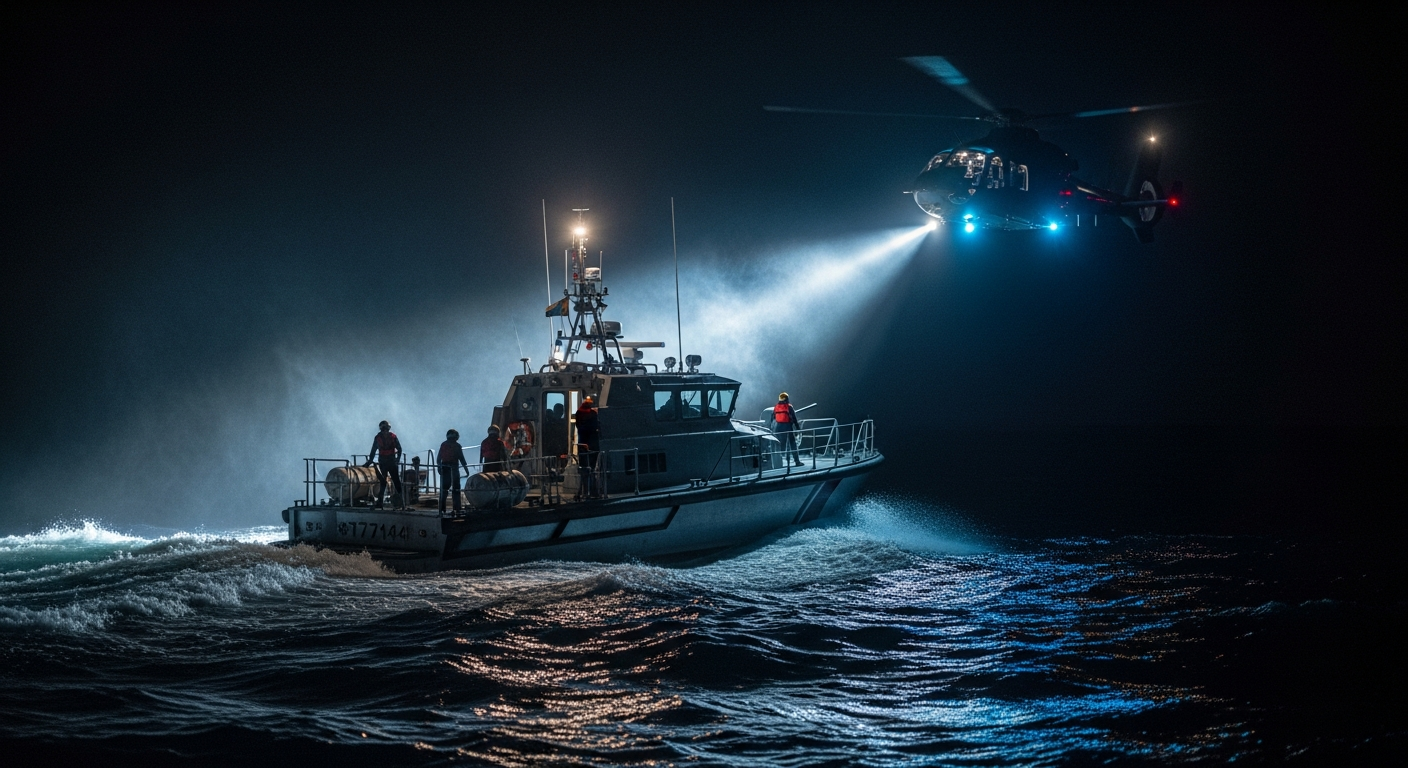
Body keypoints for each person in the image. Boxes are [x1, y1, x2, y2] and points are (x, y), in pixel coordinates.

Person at [364, 420, 403, 508]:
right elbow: (399, 449)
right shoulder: (391, 437)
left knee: (388, 481)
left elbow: (373, 451)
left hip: (387, 462)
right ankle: (399, 501)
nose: (385, 431)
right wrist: (397, 459)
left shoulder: (381, 438)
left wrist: (369, 461)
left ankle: (397, 501)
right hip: (388, 462)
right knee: (391, 481)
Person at [574, 395, 601, 498]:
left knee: (584, 469)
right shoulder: (593, 414)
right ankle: (593, 491)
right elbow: (595, 427)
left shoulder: (578, 413)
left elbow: (579, 426)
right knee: (592, 469)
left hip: (582, 444)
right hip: (592, 445)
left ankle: (585, 491)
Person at [437, 429, 470, 513]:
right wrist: (467, 471)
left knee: (444, 490)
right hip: (454, 468)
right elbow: (462, 459)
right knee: (456, 489)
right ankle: (457, 508)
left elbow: (438, 459)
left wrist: (439, 468)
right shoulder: (457, 446)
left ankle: (442, 509)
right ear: (456, 437)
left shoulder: (443, 445)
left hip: (445, 468)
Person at [771, 392, 803, 467]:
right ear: (786, 399)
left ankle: (777, 463)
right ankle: (797, 461)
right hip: (788, 426)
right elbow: (794, 419)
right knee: (792, 444)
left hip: (778, 427)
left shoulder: (776, 407)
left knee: (778, 444)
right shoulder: (789, 407)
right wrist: (798, 428)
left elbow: (773, 418)